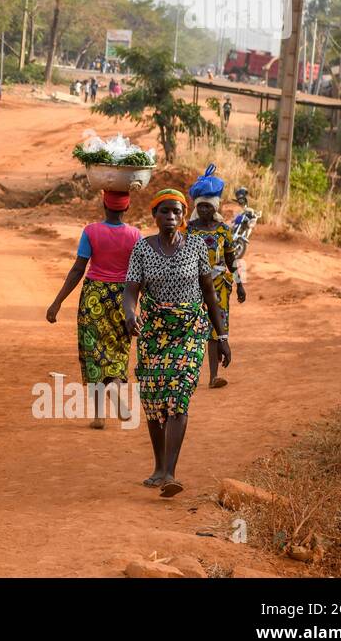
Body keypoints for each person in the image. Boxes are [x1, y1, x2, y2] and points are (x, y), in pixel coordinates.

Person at [122, 188, 229, 497]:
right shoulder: (142, 249)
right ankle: (158, 467)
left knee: (179, 394)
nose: (170, 217)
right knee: (154, 399)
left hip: (190, 329)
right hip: (154, 331)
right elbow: (131, 289)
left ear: (185, 217)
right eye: (164, 211)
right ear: (155, 216)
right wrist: (130, 313)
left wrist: (221, 337)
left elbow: (209, 293)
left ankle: (170, 472)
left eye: (177, 212)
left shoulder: (196, 246)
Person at [46, 189, 141, 428]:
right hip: (122, 298)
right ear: (127, 208)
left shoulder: (91, 232)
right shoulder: (136, 235)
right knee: (118, 349)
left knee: (93, 352)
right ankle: (116, 390)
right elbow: (140, 274)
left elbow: (78, 269)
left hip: (94, 297)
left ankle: (99, 416)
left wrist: (57, 302)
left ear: (103, 205)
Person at [186, 164, 245, 388]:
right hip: (193, 285)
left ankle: (213, 376)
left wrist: (239, 285)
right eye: (200, 207)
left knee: (214, 329)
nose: (203, 211)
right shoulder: (188, 230)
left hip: (219, 285)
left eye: (207, 207)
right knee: (192, 328)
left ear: (215, 208)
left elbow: (231, 261)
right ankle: (187, 375)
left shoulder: (223, 231)